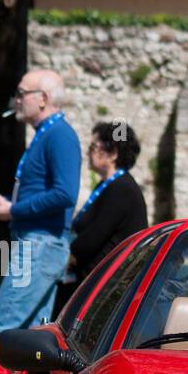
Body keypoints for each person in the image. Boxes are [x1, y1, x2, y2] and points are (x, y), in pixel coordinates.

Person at [0, 68, 81, 354]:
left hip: (39, 243)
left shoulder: (58, 135)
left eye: (21, 93)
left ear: (42, 99)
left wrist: (14, 210)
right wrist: (9, 205)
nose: (16, 100)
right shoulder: (48, 134)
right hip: (38, 242)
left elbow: (66, 193)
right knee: (29, 339)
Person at [54, 121, 148, 313]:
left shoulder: (122, 189)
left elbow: (91, 239)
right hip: (93, 278)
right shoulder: (109, 186)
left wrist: (63, 253)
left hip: (106, 286)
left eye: (93, 147)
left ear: (112, 153)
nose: (88, 152)